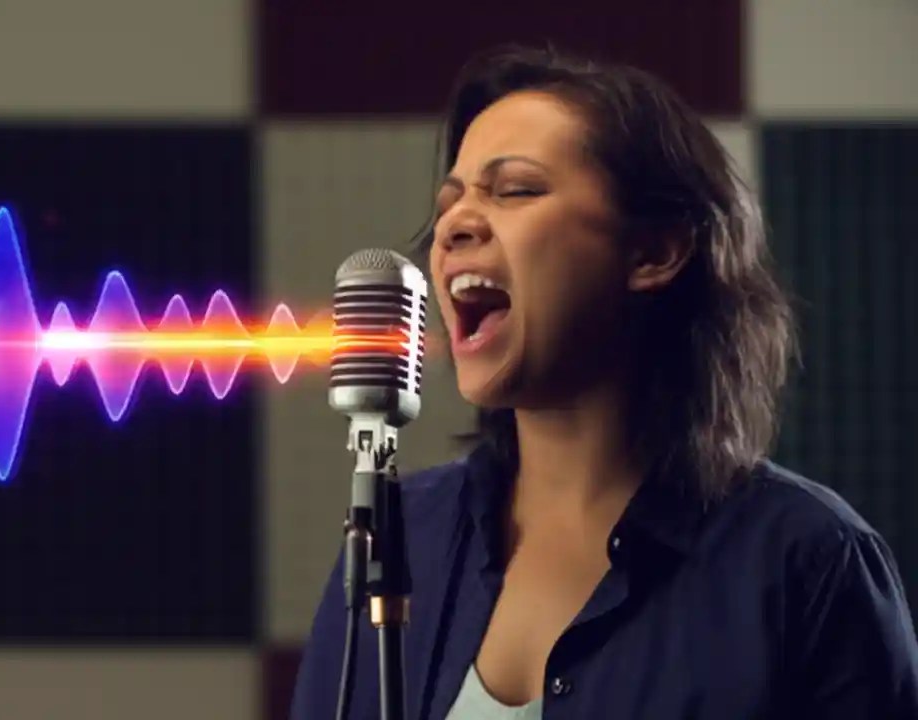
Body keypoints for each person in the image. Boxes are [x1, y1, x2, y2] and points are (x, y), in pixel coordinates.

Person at [289, 46, 918, 719]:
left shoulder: (808, 565)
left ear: (654, 252)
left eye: (517, 190)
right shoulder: (400, 535)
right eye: (452, 201)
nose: (453, 228)